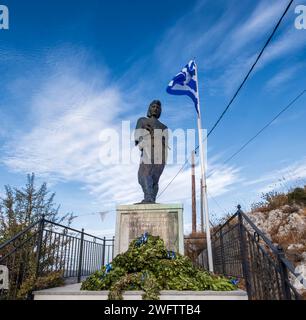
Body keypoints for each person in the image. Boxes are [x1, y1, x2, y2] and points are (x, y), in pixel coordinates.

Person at [135, 100, 168, 203]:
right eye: (153, 106)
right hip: (154, 152)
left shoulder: (164, 127)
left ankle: (149, 198)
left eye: (158, 107)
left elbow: (136, 138)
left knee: (143, 176)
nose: (155, 108)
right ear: (149, 108)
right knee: (151, 178)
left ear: (160, 111)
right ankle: (151, 199)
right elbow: (137, 138)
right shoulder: (142, 121)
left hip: (157, 153)